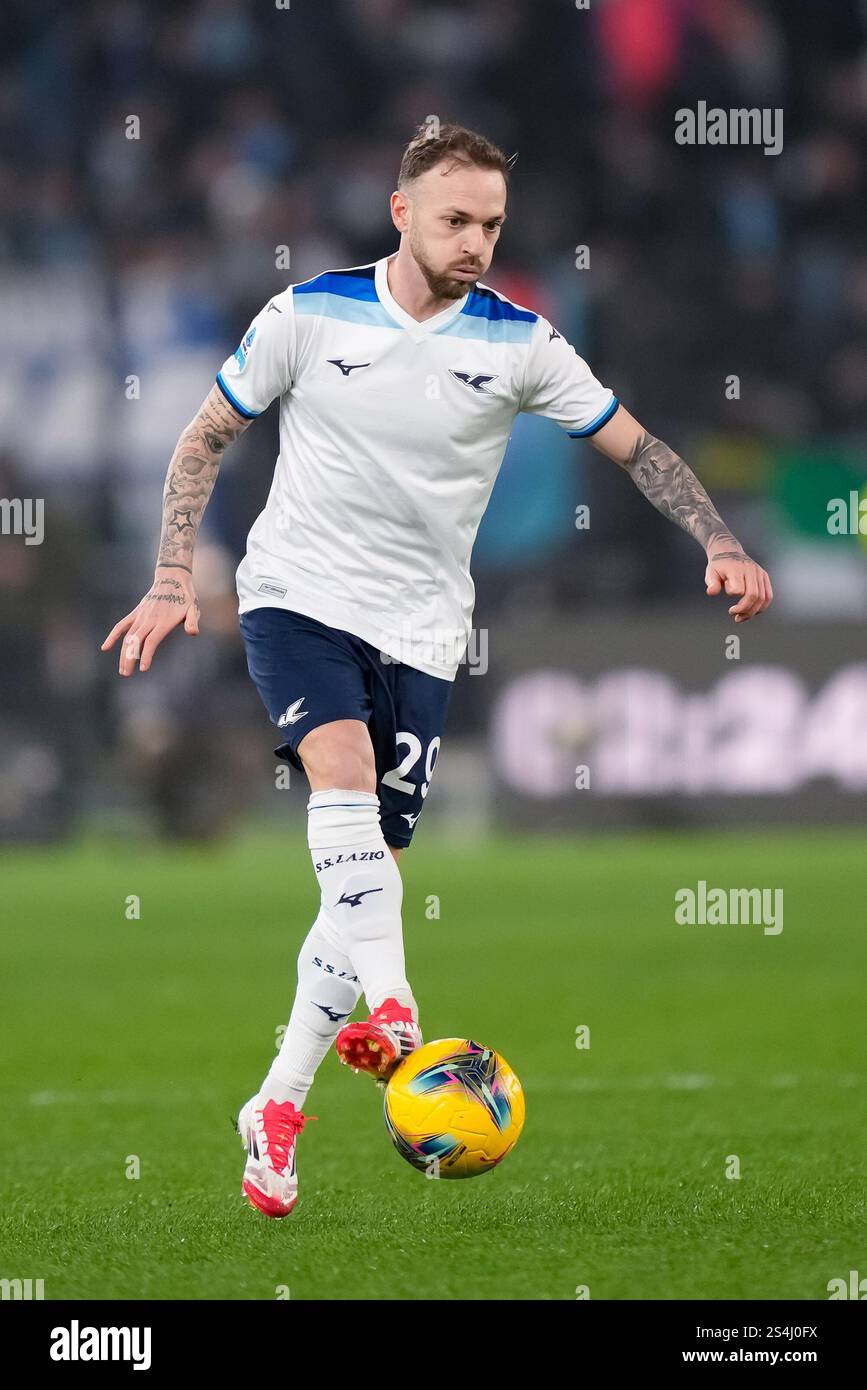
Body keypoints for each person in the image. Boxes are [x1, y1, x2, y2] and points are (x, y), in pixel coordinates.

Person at [102, 123, 773, 1218]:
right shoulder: (308, 312)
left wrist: (722, 540)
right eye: (456, 219)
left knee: (364, 868)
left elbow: (637, 447)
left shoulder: (520, 342)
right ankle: (403, 1016)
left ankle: (275, 1104)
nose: (475, 241)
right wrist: (175, 574)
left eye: (493, 224)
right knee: (345, 778)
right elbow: (204, 435)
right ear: (403, 210)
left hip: (423, 630)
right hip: (297, 595)